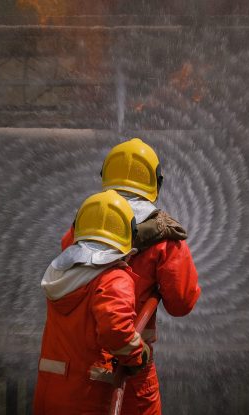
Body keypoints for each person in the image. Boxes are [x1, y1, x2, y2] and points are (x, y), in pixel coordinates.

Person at [60, 138, 201, 415]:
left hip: (78, 367)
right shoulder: (165, 237)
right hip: (131, 366)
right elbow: (181, 303)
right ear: (156, 182)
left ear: (105, 175)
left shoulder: (80, 229)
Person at [34, 190, 150, 414]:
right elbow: (116, 331)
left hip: (48, 395)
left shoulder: (62, 273)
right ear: (128, 233)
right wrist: (138, 354)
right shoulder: (113, 278)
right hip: (86, 398)